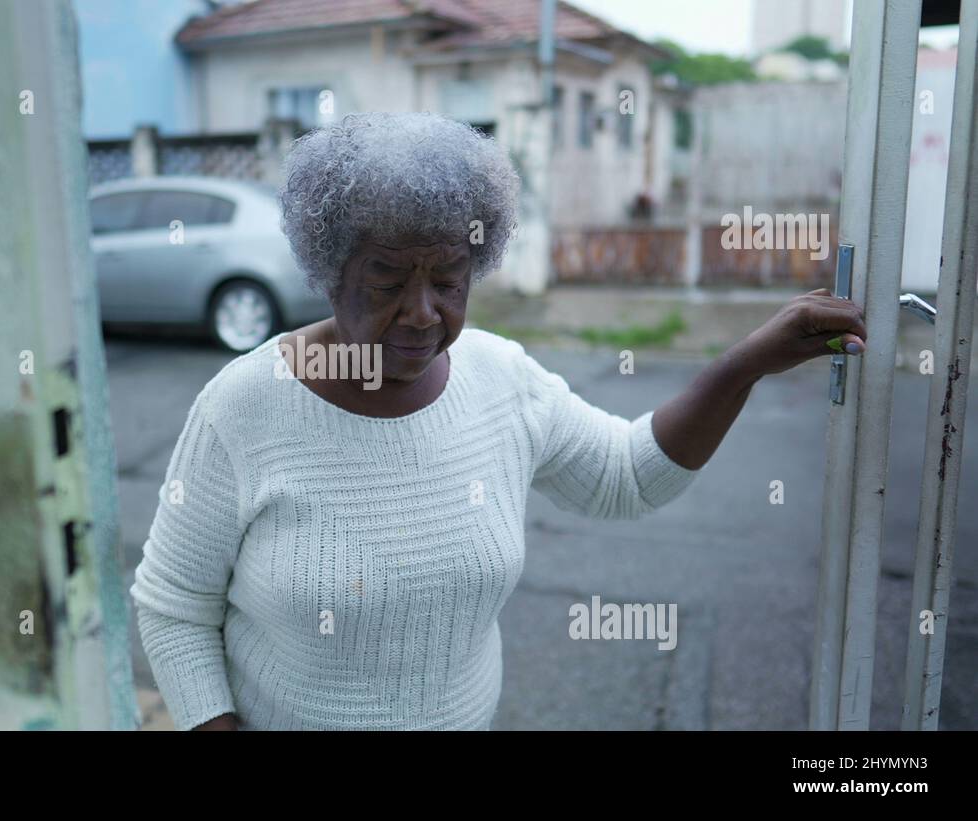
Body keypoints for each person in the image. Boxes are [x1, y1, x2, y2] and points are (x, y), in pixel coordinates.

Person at [129, 111, 866, 730]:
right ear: (328, 273)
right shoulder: (244, 405)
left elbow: (627, 476)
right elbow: (173, 606)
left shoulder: (501, 379)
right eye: (386, 283)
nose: (422, 314)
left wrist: (742, 365)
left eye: (449, 282)